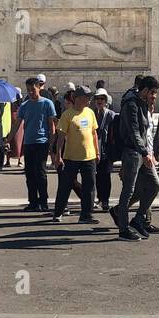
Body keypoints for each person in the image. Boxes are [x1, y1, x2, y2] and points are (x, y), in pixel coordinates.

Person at [111, 75, 159, 241]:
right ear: (145, 90)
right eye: (152, 92)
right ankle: (123, 229)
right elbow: (134, 132)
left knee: (154, 185)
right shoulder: (131, 104)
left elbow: (145, 131)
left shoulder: (141, 103)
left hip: (142, 152)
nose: (154, 96)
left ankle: (138, 219)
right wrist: (145, 152)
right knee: (128, 191)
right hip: (133, 153)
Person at [52, 86, 99, 223]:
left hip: (88, 156)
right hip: (71, 157)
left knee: (89, 187)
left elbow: (94, 133)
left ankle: (86, 215)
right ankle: (58, 213)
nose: (89, 100)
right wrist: (58, 155)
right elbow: (60, 137)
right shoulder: (67, 114)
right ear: (77, 98)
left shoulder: (90, 112)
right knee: (65, 186)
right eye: (87, 97)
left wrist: (97, 151)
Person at [14, 77, 56, 212]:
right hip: (28, 143)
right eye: (28, 90)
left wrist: (52, 142)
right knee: (30, 174)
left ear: (39, 88)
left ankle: (43, 201)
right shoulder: (24, 106)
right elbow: (17, 124)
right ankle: (33, 201)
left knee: (41, 172)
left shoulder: (47, 103)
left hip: (42, 142)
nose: (31, 92)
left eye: (33, 89)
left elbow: (51, 124)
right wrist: (8, 139)